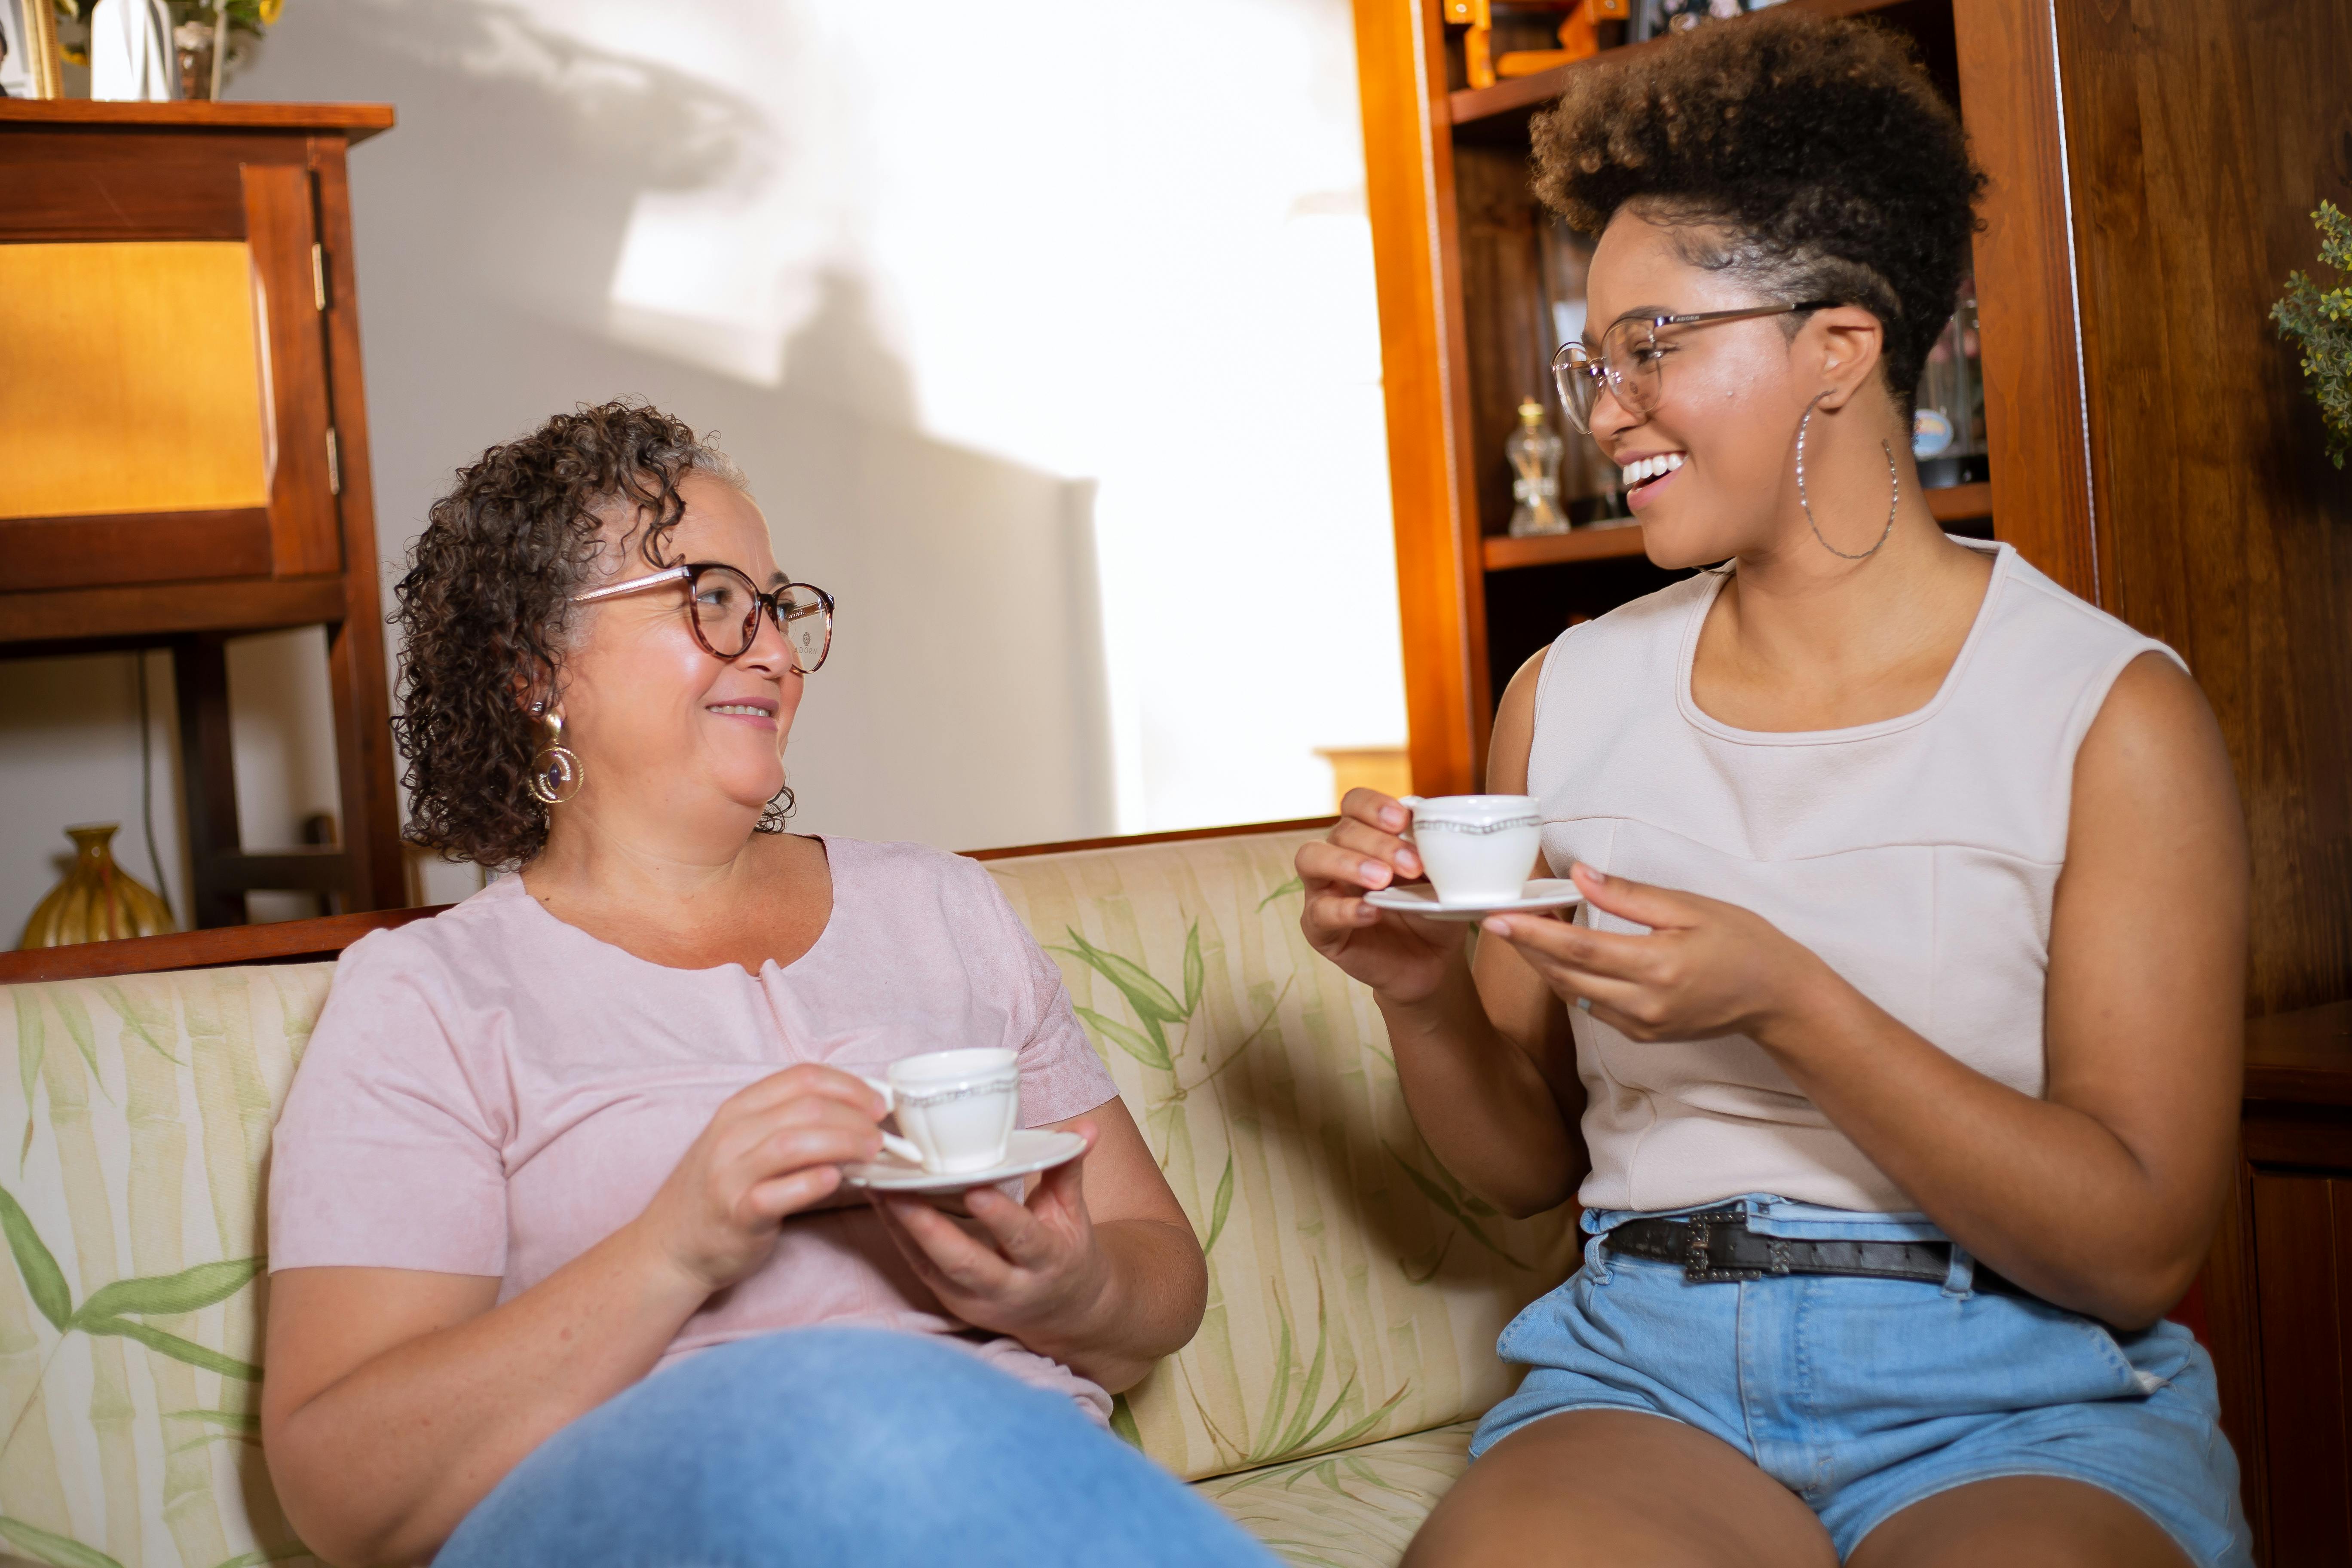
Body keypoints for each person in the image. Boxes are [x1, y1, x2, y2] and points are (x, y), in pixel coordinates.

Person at [1299, 15, 2251, 1568]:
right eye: (1592, 358)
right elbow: (1532, 1166)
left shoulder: (2109, 713)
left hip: (2014, 1391)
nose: (1606, 409)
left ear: (1839, 348)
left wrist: (1785, 1000)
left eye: (1654, 347)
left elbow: (2139, 1245)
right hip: (1650, 1375)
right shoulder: (1567, 697)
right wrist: (1420, 997)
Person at [258, 401, 1270, 1568]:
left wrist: (1068, 1286)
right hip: (655, 1512)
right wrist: (675, 1248)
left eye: (777, 604)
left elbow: (1161, 1284)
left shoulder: (942, 910)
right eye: (712, 599)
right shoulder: (429, 997)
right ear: (536, 667)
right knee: (864, 1417)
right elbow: (343, 1492)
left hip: (1010, 1483)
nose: (778, 650)